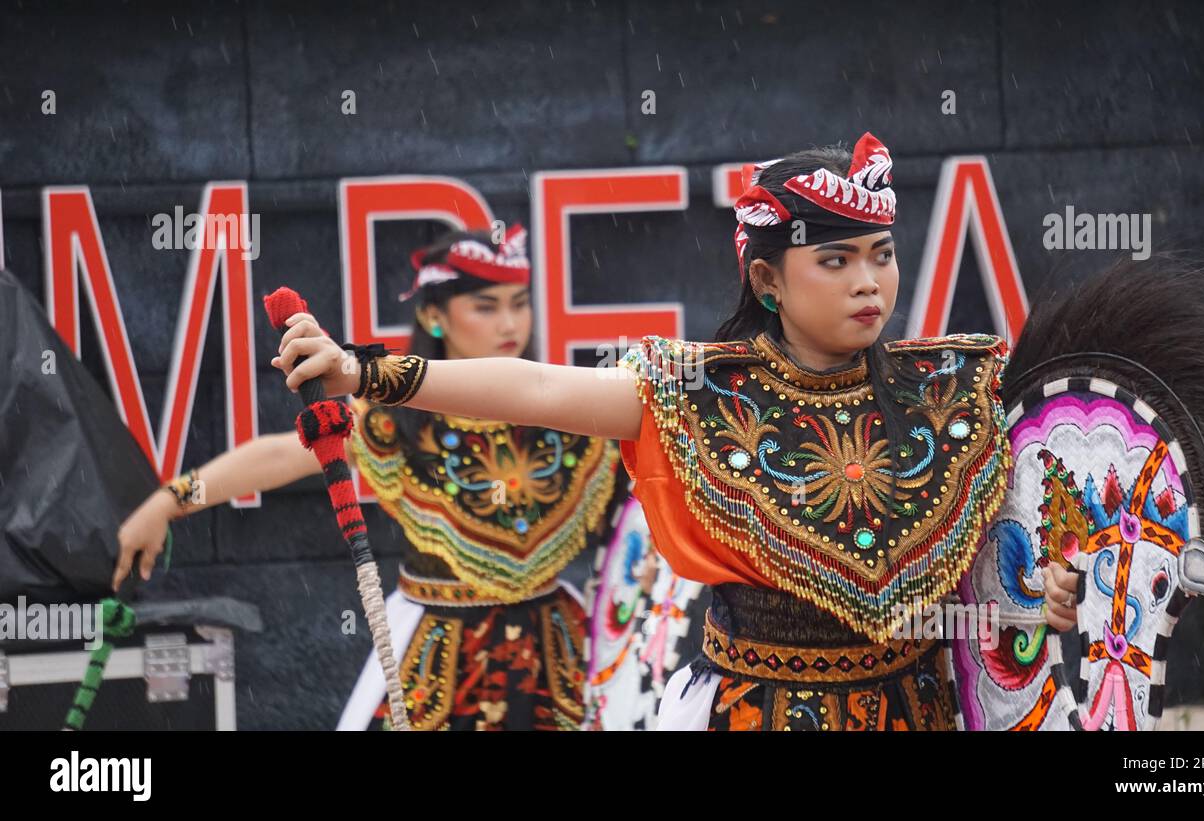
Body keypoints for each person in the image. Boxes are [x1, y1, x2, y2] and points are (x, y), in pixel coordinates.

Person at [269, 132, 1081, 731]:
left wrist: (1035, 599)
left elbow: (996, 571)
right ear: (767, 278)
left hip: (918, 709)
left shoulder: (951, 389)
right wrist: (364, 373)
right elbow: (538, 386)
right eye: (834, 261)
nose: (869, 282)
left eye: (882, 254)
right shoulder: (701, 390)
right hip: (755, 712)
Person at [116, 226, 623, 730]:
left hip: (553, 654)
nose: (509, 322)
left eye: (519, 302)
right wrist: (169, 502)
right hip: (442, 660)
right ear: (433, 315)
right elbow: (279, 457)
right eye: (486, 307)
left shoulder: (566, 408)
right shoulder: (395, 417)